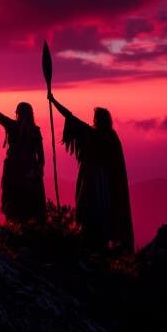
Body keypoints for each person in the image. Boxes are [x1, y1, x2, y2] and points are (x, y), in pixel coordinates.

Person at [48, 93, 134, 253]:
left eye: (95, 117)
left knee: (92, 207)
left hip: (95, 179)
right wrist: (53, 101)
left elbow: (70, 117)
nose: (93, 120)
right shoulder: (108, 136)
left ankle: (95, 240)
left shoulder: (97, 135)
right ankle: (95, 239)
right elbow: (71, 118)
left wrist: (53, 100)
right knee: (97, 208)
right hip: (101, 180)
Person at [0, 93, 46, 223]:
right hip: (29, 171)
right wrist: (38, 170)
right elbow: (41, 157)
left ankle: (15, 228)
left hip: (15, 171)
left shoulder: (13, 126)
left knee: (14, 200)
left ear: (18, 113)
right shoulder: (34, 131)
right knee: (27, 203)